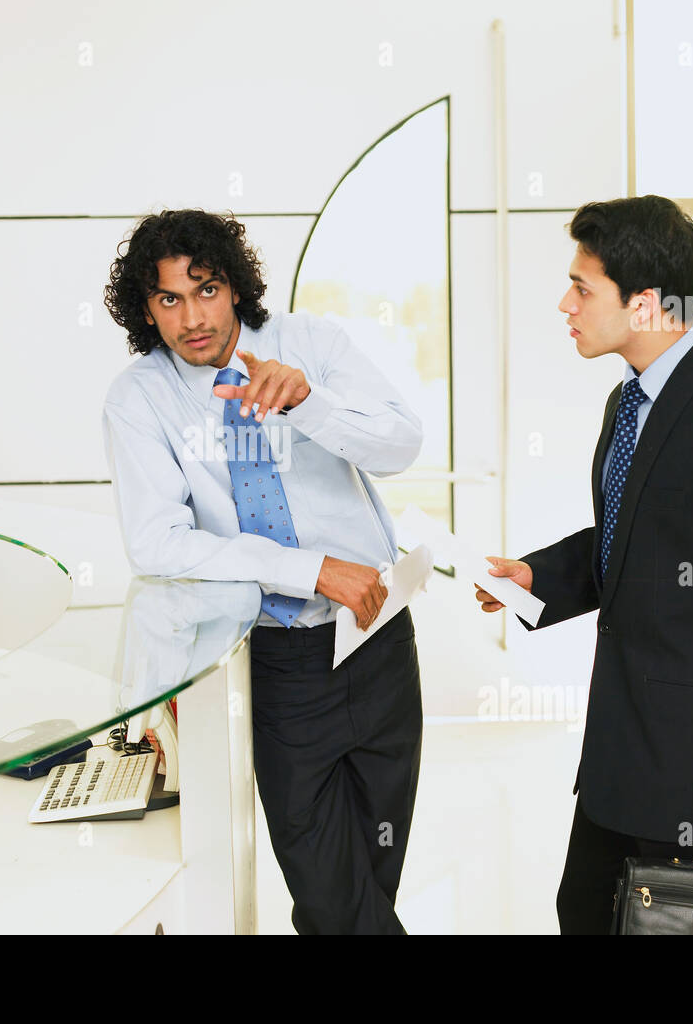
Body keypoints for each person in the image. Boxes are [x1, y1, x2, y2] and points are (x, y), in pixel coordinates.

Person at [473, 196, 693, 934]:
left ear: (647, 303)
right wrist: (539, 578)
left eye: (582, 287)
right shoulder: (627, 404)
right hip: (617, 765)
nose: (565, 304)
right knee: (583, 913)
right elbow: (634, 541)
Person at [101, 209, 424, 934]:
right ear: (146, 310)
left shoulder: (311, 344)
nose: (193, 318)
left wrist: (311, 404)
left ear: (235, 287)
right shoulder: (140, 398)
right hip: (278, 664)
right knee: (333, 896)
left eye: (207, 290)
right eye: (168, 298)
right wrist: (309, 570)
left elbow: (401, 444)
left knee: (367, 884)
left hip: (378, 639)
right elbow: (159, 543)